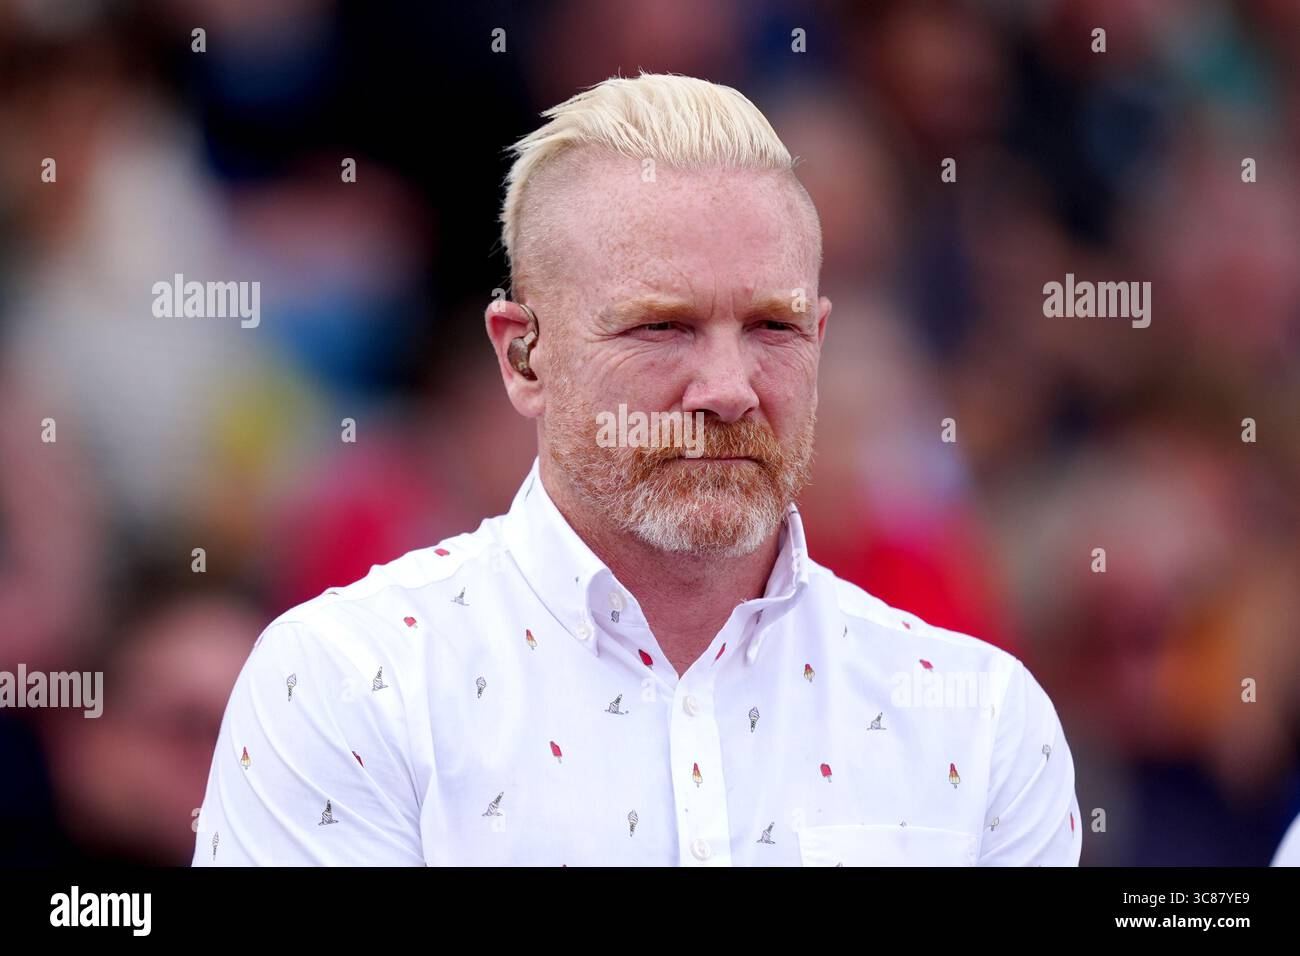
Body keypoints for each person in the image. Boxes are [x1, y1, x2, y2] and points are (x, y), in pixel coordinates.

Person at [193, 73, 1081, 866]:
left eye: (772, 328)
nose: (730, 390)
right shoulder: (348, 683)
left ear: (820, 343)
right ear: (523, 357)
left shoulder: (982, 721)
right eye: (661, 328)